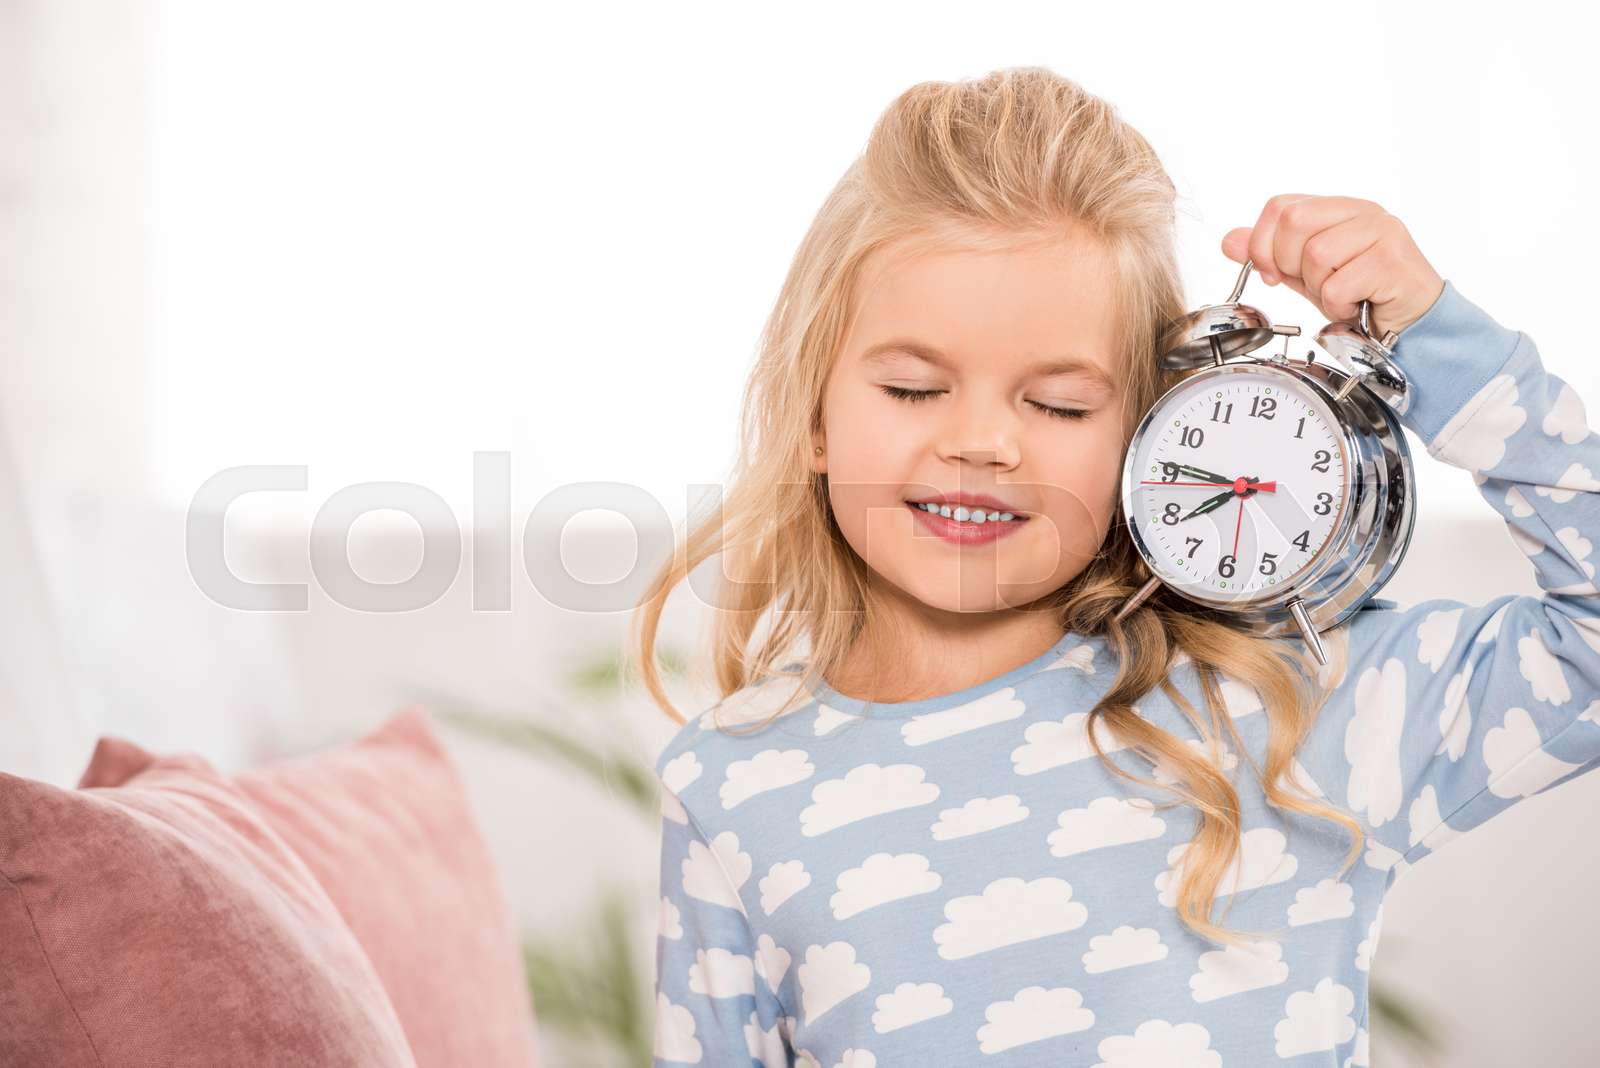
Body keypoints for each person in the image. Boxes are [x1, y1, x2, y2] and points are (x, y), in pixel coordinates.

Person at [628, 66, 1600, 1067]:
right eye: (914, 389)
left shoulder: (1291, 705)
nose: (980, 442)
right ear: (812, 414)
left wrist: (1437, 338)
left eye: (1057, 406)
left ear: (1146, 436)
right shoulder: (731, 786)